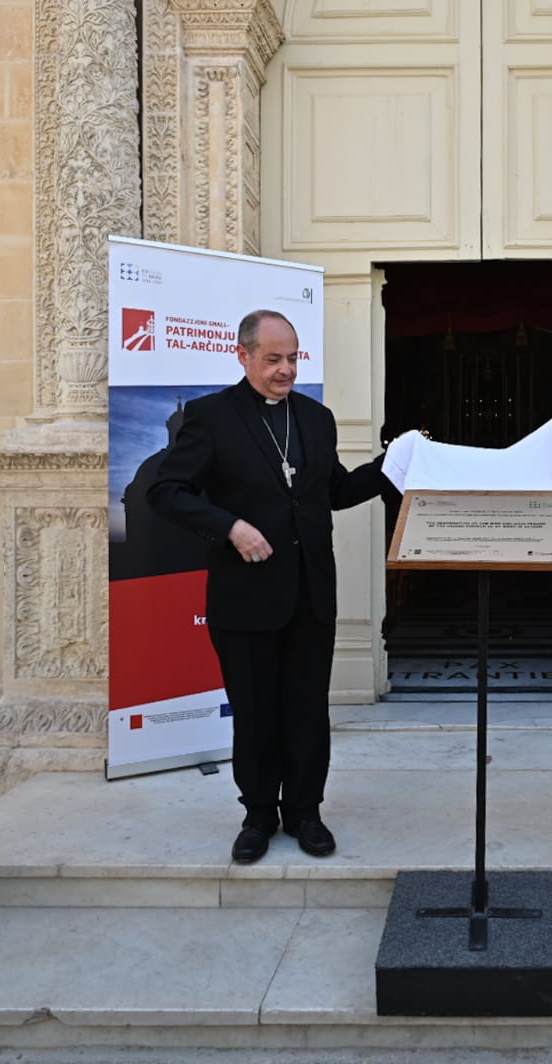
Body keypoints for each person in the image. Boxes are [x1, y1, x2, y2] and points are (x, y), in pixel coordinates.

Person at [148, 309, 388, 864]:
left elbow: (336, 491)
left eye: (293, 358)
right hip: (246, 595)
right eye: (273, 359)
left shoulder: (316, 418)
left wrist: (391, 465)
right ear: (244, 355)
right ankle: (258, 815)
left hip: (310, 594)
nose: (286, 370)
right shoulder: (210, 417)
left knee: (306, 710)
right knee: (255, 712)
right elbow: (168, 491)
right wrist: (230, 526)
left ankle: (306, 812)